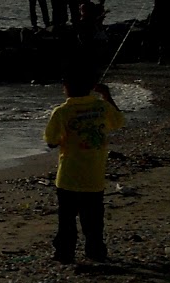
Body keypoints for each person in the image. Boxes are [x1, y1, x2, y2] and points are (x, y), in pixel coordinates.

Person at [44, 65, 125, 265]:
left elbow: (51, 141)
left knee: (67, 218)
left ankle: (65, 252)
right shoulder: (102, 107)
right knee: (94, 219)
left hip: (69, 176)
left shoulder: (62, 112)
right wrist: (106, 95)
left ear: (66, 87)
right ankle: (95, 251)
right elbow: (118, 122)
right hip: (94, 176)